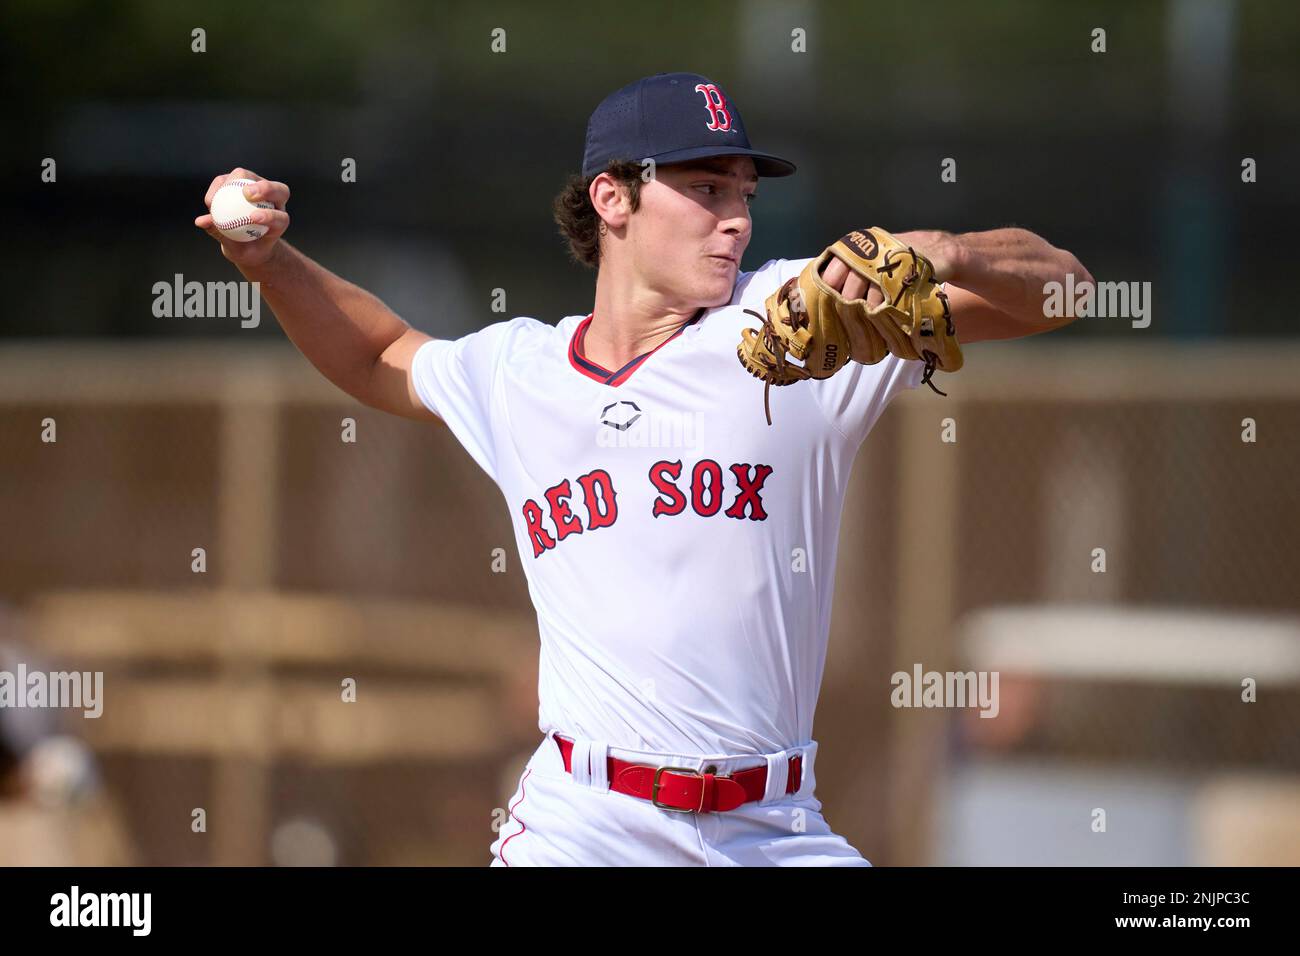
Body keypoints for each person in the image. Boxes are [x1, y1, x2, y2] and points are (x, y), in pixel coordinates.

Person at [195, 71, 1092, 866]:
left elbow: (1066, 291)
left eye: (743, 190)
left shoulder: (799, 321)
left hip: (773, 825)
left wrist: (953, 251)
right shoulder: (521, 374)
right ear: (614, 199)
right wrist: (269, 264)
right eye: (705, 187)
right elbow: (376, 353)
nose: (737, 215)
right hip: (586, 823)